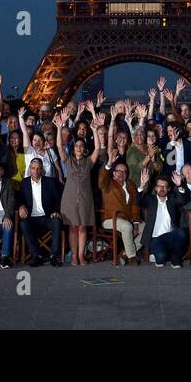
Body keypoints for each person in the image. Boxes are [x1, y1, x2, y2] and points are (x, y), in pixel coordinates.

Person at [55, 109, 105, 266]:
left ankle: (81, 255)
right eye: (76, 145)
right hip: (69, 199)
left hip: (85, 198)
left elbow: (97, 149)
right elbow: (59, 147)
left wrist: (95, 130)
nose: (78, 147)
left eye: (81, 145)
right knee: (72, 228)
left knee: (82, 228)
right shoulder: (68, 160)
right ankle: (74, 256)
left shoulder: (89, 162)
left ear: (84, 149)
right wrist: (58, 128)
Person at [98, 155, 146, 265]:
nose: (121, 173)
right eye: (118, 171)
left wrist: (136, 222)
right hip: (110, 219)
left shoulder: (131, 185)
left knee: (147, 227)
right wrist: (108, 165)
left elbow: (135, 205)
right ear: (114, 173)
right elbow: (101, 180)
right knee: (126, 226)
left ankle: (125, 254)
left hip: (128, 219)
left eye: (124, 171)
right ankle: (132, 257)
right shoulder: (107, 184)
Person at [17, 157, 64, 267]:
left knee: (57, 222)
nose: (36, 171)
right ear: (30, 169)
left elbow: (58, 200)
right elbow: (19, 199)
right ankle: (37, 255)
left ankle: (54, 255)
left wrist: (56, 211)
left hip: (47, 217)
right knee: (23, 224)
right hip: (31, 218)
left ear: (42, 169)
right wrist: (21, 206)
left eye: (38, 168)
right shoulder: (24, 183)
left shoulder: (50, 182)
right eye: (33, 168)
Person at [138, 174, 187, 267]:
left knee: (181, 232)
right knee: (161, 259)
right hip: (155, 239)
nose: (162, 189)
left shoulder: (172, 199)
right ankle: (160, 254)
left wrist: (180, 185)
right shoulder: (150, 199)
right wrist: (142, 185)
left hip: (170, 236)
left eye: (165, 186)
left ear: (168, 189)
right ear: (156, 188)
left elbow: (182, 200)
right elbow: (138, 201)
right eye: (159, 186)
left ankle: (175, 257)